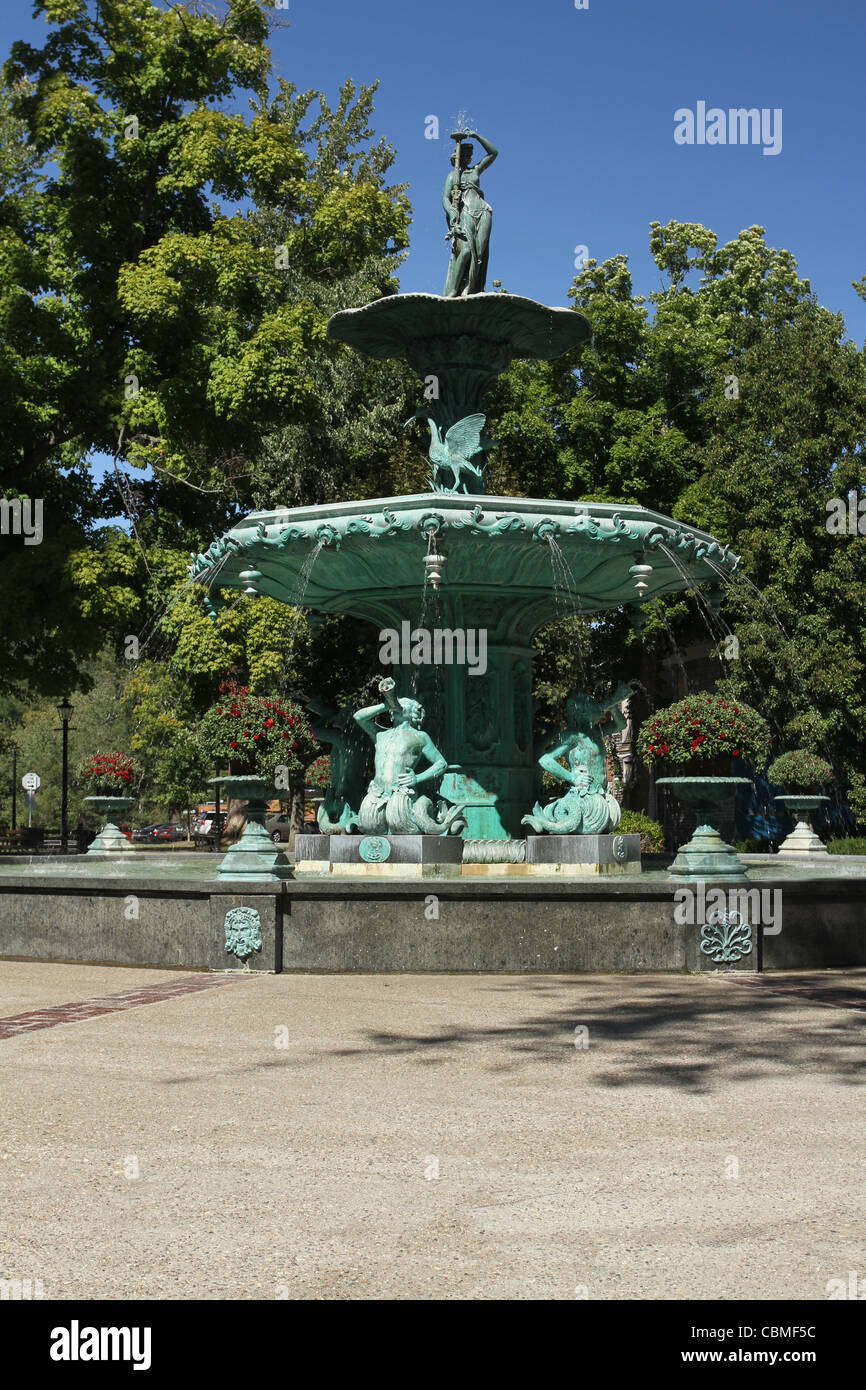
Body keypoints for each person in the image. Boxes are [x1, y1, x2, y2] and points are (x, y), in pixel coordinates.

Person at [442, 131, 498, 297]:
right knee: (466, 250)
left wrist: (477, 137)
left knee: (479, 254)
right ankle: (453, 289)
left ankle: (470, 288)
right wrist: (452, 213)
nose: (468, 158)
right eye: (465, 155)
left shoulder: (475, 171)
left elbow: (493, 153)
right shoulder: (452, 177)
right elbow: (445, 199)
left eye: (469, 155)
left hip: (483, 212)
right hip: (465, 212)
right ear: (458, 157)